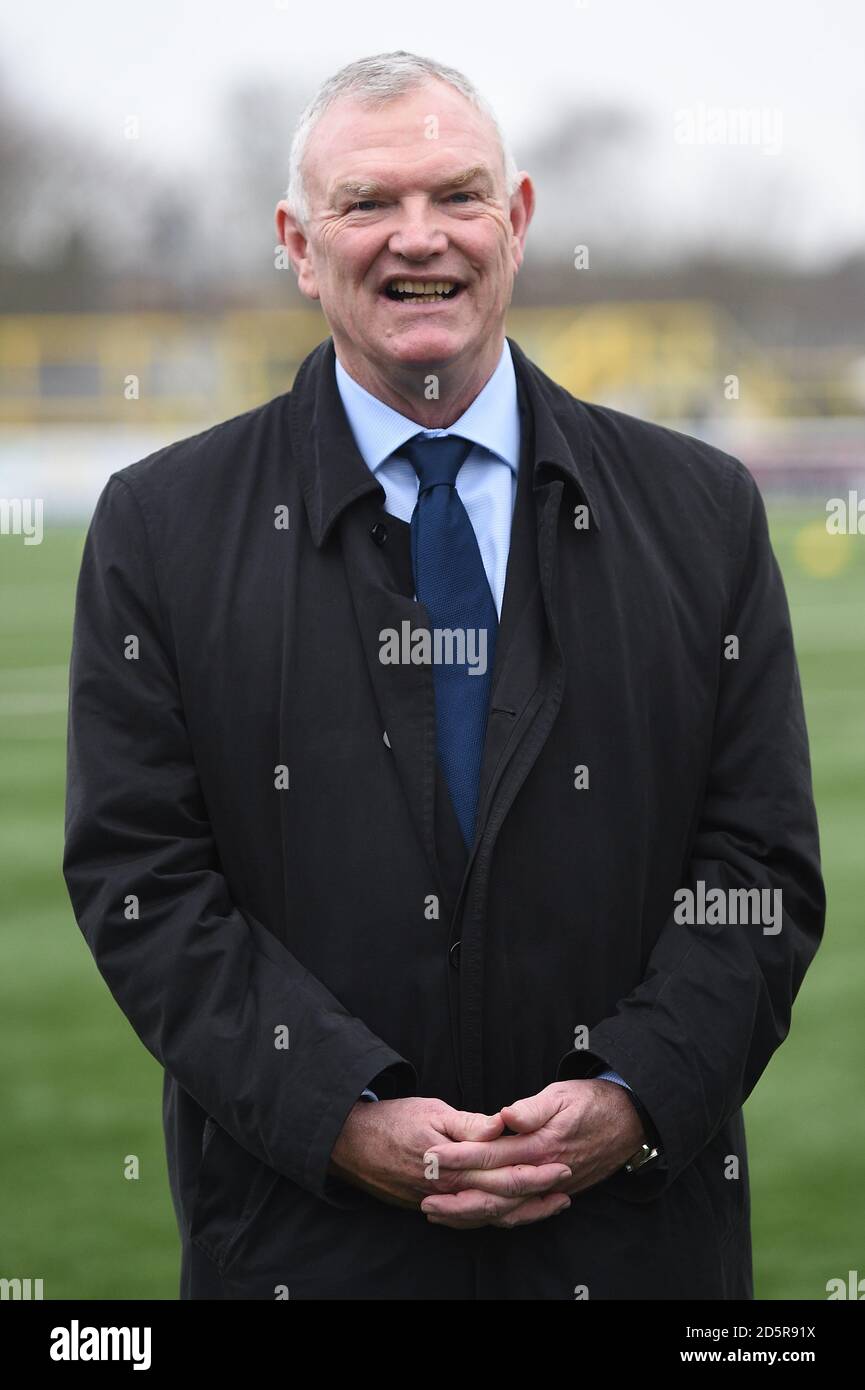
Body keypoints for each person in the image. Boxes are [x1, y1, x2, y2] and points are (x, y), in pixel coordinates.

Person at [63, 50, 824, 1300]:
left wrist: (630, 1094)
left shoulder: (703, 512)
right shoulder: (161, 525)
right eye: (367, 203)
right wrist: (339, 1112)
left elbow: (757, 871)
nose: (420, 237)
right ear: (300, 246)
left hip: (639, 1260)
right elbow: (143, 881)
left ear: (516, 222)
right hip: (302, 1256)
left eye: (457, 195)